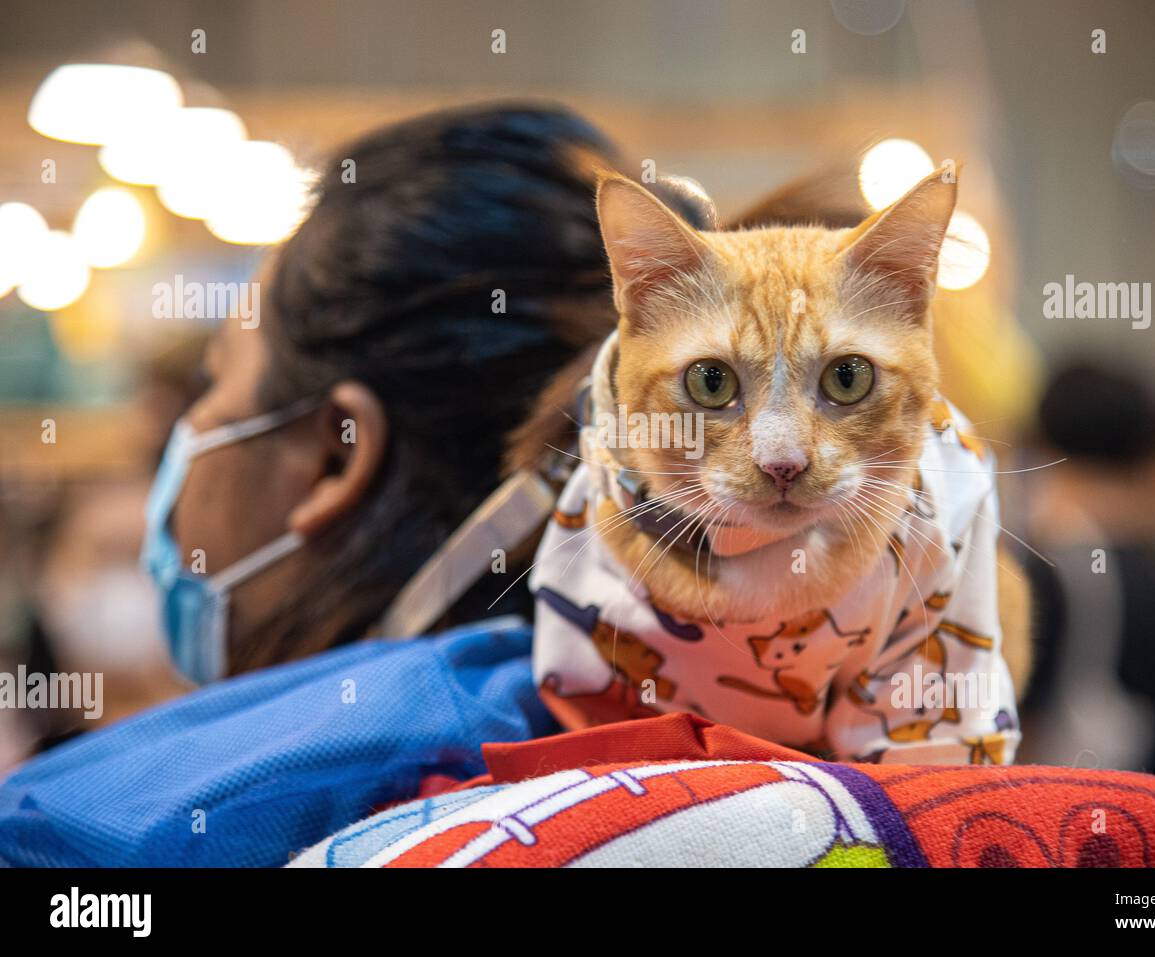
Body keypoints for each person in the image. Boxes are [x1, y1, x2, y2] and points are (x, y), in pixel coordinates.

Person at [0, 103, 708, 866]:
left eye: (213, 385)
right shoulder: (681, 733)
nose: (188, 440)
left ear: (336, 459)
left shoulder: (78, 839)